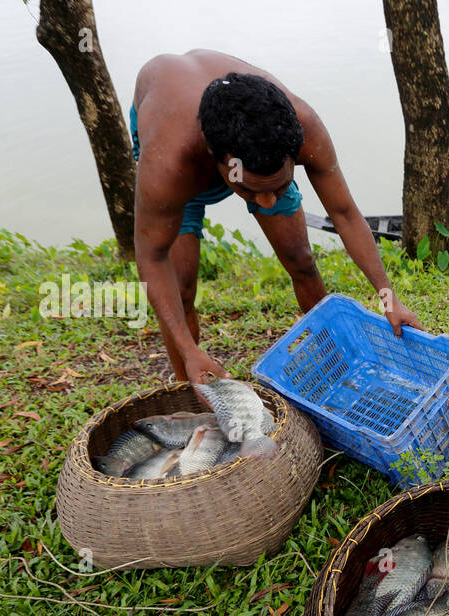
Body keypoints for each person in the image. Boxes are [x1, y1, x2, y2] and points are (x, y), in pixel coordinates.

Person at [130, 50, 421, 383]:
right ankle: (190, 381)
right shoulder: (169, 165)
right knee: (181, 288)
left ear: (293, 154)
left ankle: (336, 366)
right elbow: (152, 256)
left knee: (300, 259)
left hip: (245, 142)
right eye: (253, 192)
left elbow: (344, 213)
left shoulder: (303, 127)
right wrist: (187, 350)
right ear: (217, 159)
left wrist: (388, 297)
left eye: (278, 186)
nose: (267, 203)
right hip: (172, 128)